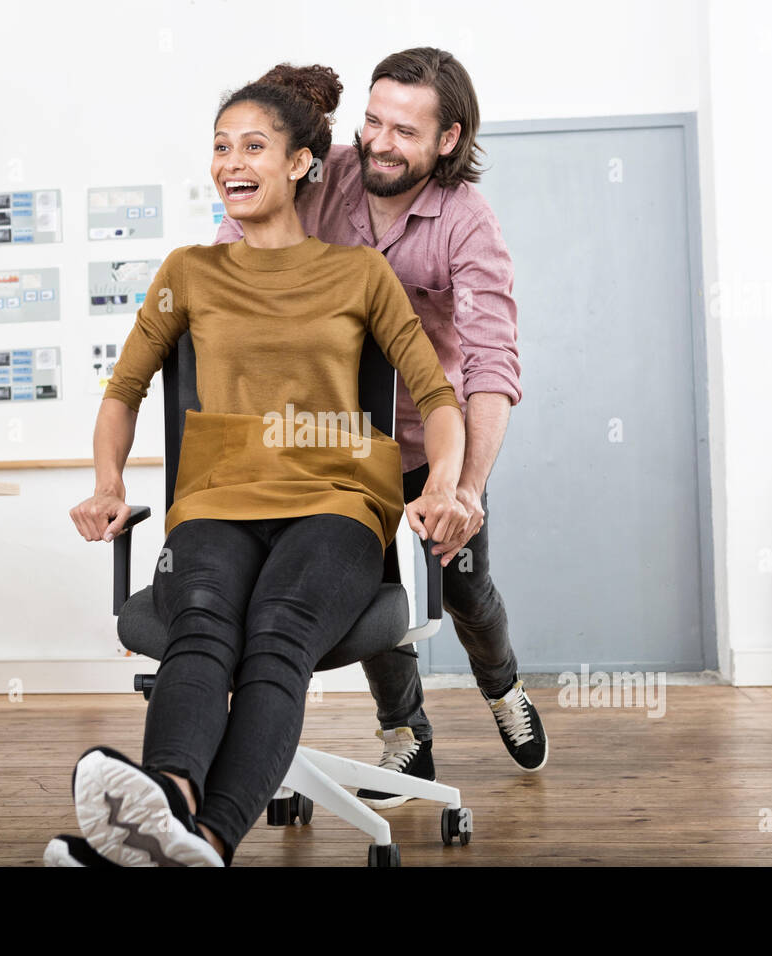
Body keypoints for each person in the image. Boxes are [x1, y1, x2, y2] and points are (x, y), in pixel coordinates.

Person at [58, 63, 469, 867]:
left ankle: (202, 840)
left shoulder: (359, 274)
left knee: (277, 632)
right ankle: (171, 803)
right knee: (202, 625)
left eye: (253, 146)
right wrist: (108, 484)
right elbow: (125, 388)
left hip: (337, 504)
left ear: (301, 163)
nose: (231, 163)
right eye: (220, 147)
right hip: (217, 500)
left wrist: (448, 485)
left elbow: (437, 393)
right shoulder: (190, 271)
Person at [214, 47, 546, 810]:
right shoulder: (321, 174)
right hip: (337, 444)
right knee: (377, 596)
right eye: (372, 121)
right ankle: (405, 733)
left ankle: (503, 688)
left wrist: (464, 489)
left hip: (433, 446)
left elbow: (492, 365)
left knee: (464, 590)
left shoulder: (468, 225)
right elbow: (237, 250)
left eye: (404, 129)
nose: (380, 141)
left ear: (448, 139)